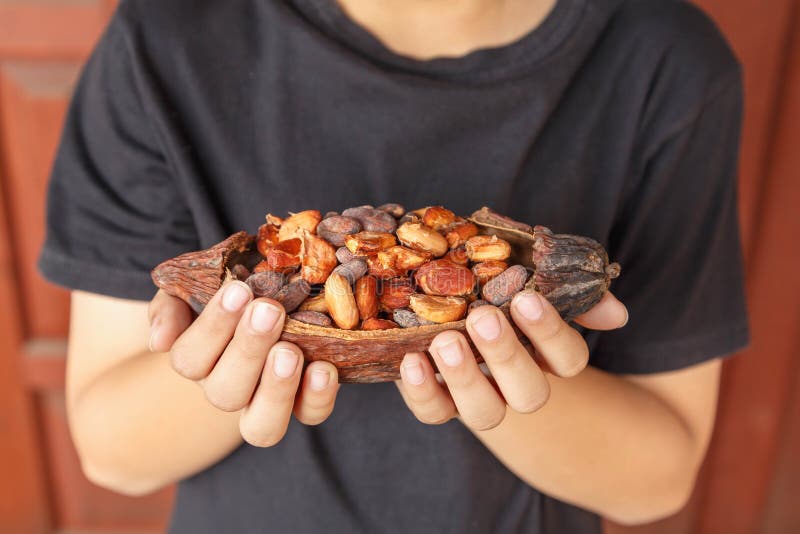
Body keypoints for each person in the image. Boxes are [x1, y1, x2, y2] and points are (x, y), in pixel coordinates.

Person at [38, 0, 750, 532]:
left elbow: (656, 478)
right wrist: (256, 346)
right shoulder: (164, 39)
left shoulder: (666, 61)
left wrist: (497, 367)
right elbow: (112, 452)